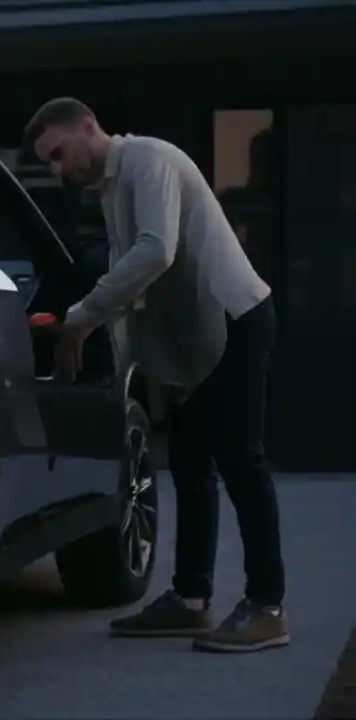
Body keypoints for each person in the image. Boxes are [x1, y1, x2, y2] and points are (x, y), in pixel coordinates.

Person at [22, 98, 288, 653]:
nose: (56, 168)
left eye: (57, 153)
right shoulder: (112, 190)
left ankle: (267, 606)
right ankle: (191, 599)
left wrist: (80, 319)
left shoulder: (148, 160)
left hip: (234, 319)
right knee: (190, 462)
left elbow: (154, 252)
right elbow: (139, 289)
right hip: (195, 342)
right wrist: (91, 336)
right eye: (48, 161)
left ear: (88, 127)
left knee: (243, 460)